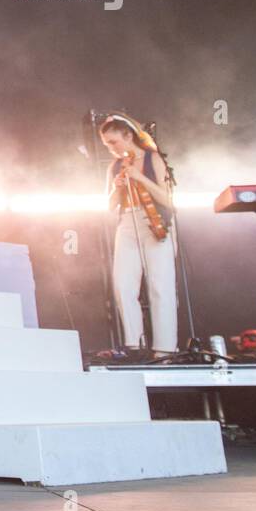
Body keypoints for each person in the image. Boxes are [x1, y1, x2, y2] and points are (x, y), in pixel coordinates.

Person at [99, 114, 177, 354]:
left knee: (160, 286)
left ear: (128, 136)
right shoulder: (114, 167)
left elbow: (167, 199)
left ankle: (165, 350)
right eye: (107, 145)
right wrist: (116, 188)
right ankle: (135, 345)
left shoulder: (153, 158)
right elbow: (109, 206)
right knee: (123, 285)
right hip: (127, 223)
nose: (112, 149)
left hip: (155, 222)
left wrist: (139, 176)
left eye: (114, 142)